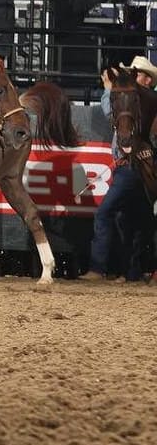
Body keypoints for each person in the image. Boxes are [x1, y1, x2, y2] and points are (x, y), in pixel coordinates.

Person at [86, 59, 157, 280]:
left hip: (132, 169)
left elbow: (112, 112)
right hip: (133, 168)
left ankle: (98, 268)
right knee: (135, 220)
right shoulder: (136, 101)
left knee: (108, 213)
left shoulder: (144, 102)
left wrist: (108, 89)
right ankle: (134, 271)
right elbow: (114, 112)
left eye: (137, 75)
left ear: (146, 79)